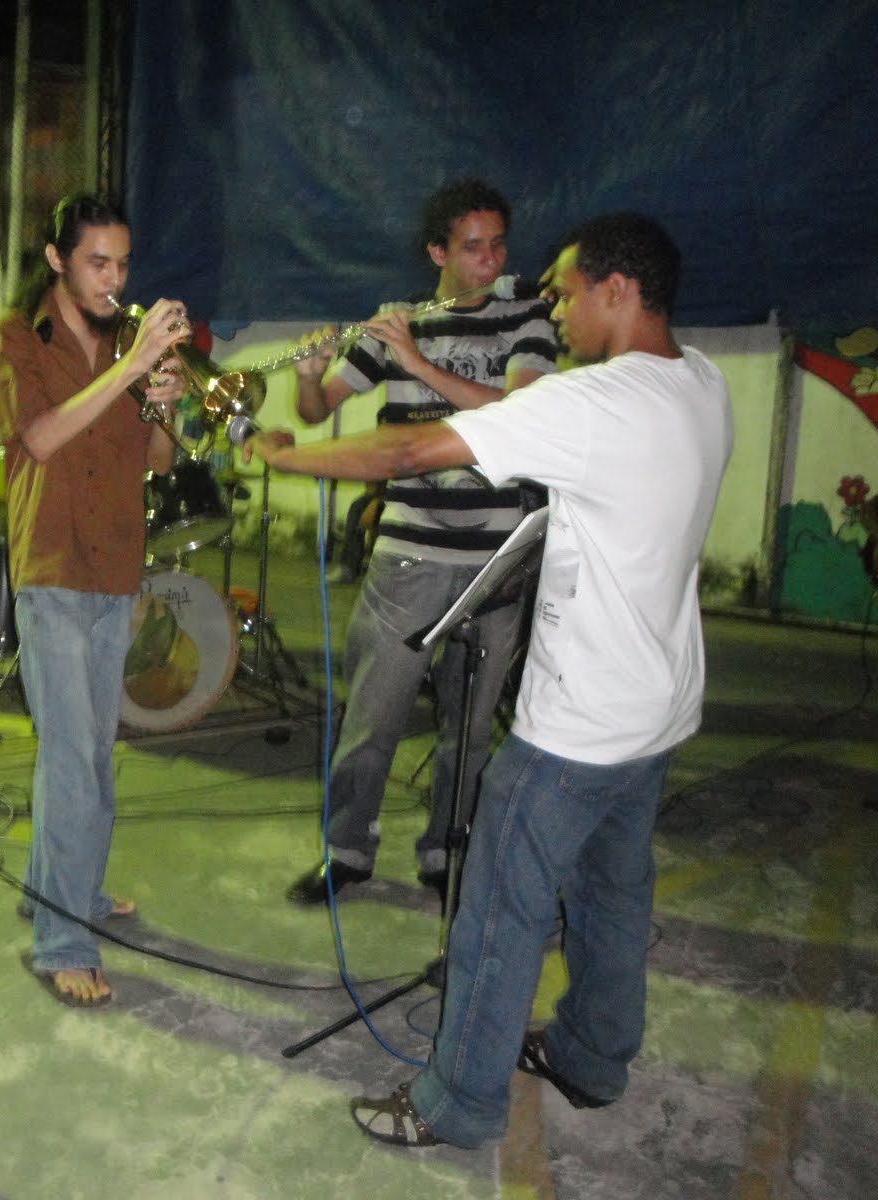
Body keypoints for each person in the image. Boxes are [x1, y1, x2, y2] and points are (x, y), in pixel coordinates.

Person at [246, 213, 733, 1148]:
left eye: (566, 287)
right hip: (661, 708)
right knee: (612, 891)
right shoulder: (700, 382)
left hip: (581, 723)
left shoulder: (595, 404)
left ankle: (457, 1103)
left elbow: (402, 455)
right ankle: (593, 1058)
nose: (552, 300)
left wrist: (285, 455)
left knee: (499, 907)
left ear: (617, 291)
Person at [287, 178, 559, 903]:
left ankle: (448, 853)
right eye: (472, 247)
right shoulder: (400, 321)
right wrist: (312, 376)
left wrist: (416, 364)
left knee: (468, 732)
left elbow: (520, 413)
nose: (489, 259)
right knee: (371, 719)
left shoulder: (528, 317)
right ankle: (347, 849)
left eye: (498, 244)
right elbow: (315, 412)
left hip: (496, 562)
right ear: (437, 250)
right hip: (408, 554)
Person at [0, 194, 188, 1007]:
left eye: (123, 263)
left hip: (115, 562)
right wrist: (133, 368)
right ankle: (61, 937)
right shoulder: (16, 340)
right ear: (57, 260)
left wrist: (165, 397)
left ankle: (63, 884)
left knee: (92, 750)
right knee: (71, 755)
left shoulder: (121, 348)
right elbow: (37, 438)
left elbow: (160, 461)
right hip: (53, 564)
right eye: (97, 262)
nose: (114, 279)